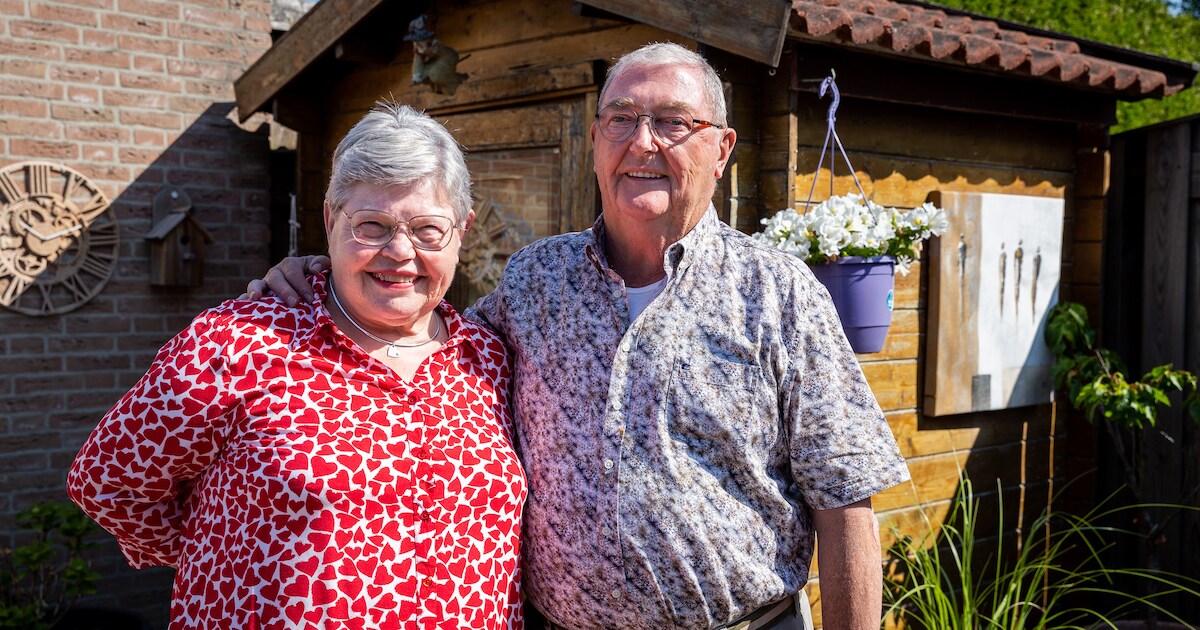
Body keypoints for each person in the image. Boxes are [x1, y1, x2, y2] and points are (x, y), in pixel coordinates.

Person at [250, 43, 910, 630]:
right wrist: (329, 273)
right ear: (596, 141)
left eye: (673, 122)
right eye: (620, 119)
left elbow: (846, 498)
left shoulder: (779, 294)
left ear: (723, 149)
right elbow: (428, 337)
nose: (642, 142)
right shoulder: (536, 280)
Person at [68, 103, 527, 629]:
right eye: (372, 225)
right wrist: (223, 561)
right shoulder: (241, 342)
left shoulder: (490, 358)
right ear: (330, 220)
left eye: (428, 230)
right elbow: (110, 480)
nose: (399, 252)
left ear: (463, 231)